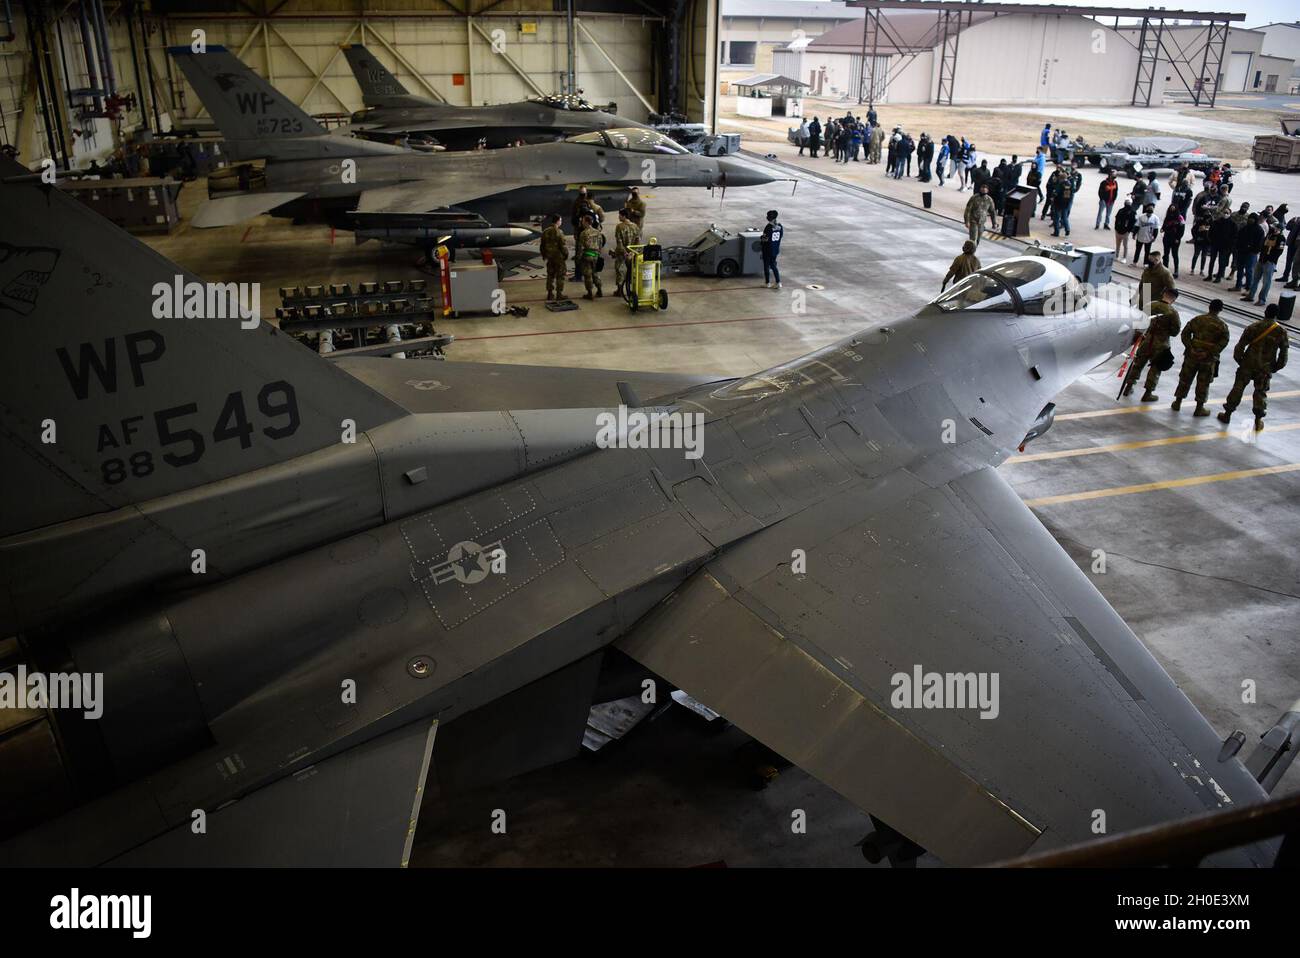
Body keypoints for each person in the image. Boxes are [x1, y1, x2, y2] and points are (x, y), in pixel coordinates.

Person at [1218, 303, 1289, 431]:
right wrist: (1274, 368)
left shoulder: (1254, 327)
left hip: (1248, 364)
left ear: (1265, 312)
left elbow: (1240, 346)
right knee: (1260, 393)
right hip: (1265, 368)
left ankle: (1227, 414)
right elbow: (1283, 356)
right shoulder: (1281, 332)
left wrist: (1240, 360)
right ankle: (1258, 421)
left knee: (1238, 388)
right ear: (1276, 315)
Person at [1122, 285, 1182, 402]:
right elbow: (1175, 332)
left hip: (1146, 340)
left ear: (1163, 294)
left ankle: (1128, 387)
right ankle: (1147, 393)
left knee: (1138, 364)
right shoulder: (1173, 313)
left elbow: (1139, 322)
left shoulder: (1150, 305)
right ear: (1174, 299)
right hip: (1161, 344)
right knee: (1155, 368)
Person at [1171, 299, 1230, 416]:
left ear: (1209, 307)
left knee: (1185, 378)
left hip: (1192, 355)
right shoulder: (1222, 326)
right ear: (1220, 310)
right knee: (1203, 382)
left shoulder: (1197, 319)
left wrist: (1190, 347)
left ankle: (1178, 402)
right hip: (1208, 359)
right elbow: (1223, 342)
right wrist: (1209, 353)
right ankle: (1199, 408)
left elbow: (1185, 333)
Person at [1248, 224, 1285, 306]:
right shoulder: (1269, 235)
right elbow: (1263, 245)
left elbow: (1279, 252)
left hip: (1269, 263)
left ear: (1280, 230)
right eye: (1274, 227)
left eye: (1276, 228)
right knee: (1255, 279)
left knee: (1266, 282)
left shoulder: (1281, 238)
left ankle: (1262, 299)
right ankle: (1250, 295)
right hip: (1261, 260)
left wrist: (1270, 260)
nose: (1274, 229)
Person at [1231, 212, 1264, 293]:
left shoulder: (1259, 230)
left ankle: (1248, 288)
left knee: (1249, 271)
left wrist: (1253, 250)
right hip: (1242, 252)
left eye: (1252, 219)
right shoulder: (1245, 228)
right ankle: (1238, 285)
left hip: (1251, 254)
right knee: (1240, 269)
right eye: (1250, 218)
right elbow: (1238, 237)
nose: (1250, 220)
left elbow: (1259, 244)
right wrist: (1238, 247)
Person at [613, 208, 641, 300]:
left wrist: (625, 252)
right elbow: (638, 240)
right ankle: (632, 289)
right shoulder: (635, 226)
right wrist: (632, 252)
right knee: (632, 271)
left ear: (624, 216)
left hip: (622, 253)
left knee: (620, 270)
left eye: (620, 215)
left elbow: (619, 242)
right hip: (632, 253)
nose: (619, 217)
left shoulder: (619, 227)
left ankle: (619, 291)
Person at [539, 213, 568, 302]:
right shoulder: (559, 232)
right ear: (558, 221)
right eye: (561, 220)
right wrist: (565, 255)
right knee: (560, 276)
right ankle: (559, 294)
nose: (561, 222)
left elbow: (542, 245)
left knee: (550, 275)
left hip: (550, 257)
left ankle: (550, 294)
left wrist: (544, 255)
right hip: (558, 258)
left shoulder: (545, 231)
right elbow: (562, 246)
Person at [576, 213, 604, 300]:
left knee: (588, 275)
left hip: (587, 255)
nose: (582, 223)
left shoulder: (583, 233)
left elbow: (580, 248)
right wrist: (598, 253)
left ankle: (590, 293)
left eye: (583, 221)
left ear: (587, 222)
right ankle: (599, 290)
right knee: (595, 273)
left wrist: (578, 258)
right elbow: (600, 244)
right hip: (595, 255)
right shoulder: (597, 232)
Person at [1208, 210, 1237, 284]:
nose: (1225, 214)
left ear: (1230, 214)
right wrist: (1211, 241)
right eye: (1224, 212)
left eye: (1227, 213)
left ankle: (1219, 277)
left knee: (1221, 262)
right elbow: (1210, 232)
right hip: (1215, 244)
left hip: (1225, 246)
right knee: (1212, 260)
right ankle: (1209, 275)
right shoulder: (1216, 222)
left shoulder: (1232, 224)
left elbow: (1234, 237)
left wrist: (1229, 245)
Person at [963, 184, 996, 248]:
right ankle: (971, 253)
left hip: (982, 222)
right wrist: (966, 221)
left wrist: (994, 223)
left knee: (978, 239)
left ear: (987, 191)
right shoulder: (974, 198)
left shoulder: (989, 200)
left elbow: (992, 212)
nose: (983, 190)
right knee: (973, 238)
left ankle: (973, 249)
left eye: (985, 189)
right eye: (982, 188)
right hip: (973, 221)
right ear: (980, 189)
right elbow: (968, 210)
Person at [760, 209, 783, 290]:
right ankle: (778, 282)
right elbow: (780, 237)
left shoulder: (768, 227)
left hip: (767, 250)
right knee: (773, 265)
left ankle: (767, 283)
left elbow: (765, 239)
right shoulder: (780, 226)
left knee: (766, 266)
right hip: (775, 249)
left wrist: (761, 239)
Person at [1049, 165, 1075, 237]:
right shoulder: (1070, 184)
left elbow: (1056, 193)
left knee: (1056, 218)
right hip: (1066, 203)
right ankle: (1067, 230)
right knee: (1065, 217)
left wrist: (1053, 197)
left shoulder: (1060, 184)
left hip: (1058, 203)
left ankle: (1056, 232)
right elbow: (1072, 194)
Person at [1161, 206, 1185, 278]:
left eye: (1173, 208)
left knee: (1175, 255)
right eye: (1171, 208)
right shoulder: (1167, 217)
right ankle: (1165, 270)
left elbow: (1182, 229)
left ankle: (1176, 271)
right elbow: (1164, 226)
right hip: (1167, 237)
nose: (1172, 210)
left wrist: (1178, 238)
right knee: (1166, 254)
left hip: (1175, 239)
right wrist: (1162, 229)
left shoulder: (1180, 218)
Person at [1189, 212, 1213, 278]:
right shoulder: (1199, 222)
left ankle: (1201, 270)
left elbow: (1213, 233)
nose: (1207, 219)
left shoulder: (1212, 223)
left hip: (1207, 242)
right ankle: (1192, 269)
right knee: (1196, 255)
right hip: (1199, 241)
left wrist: (1210, 240)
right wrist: (1196, 237)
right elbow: (1193, 230)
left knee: (1204, 256)